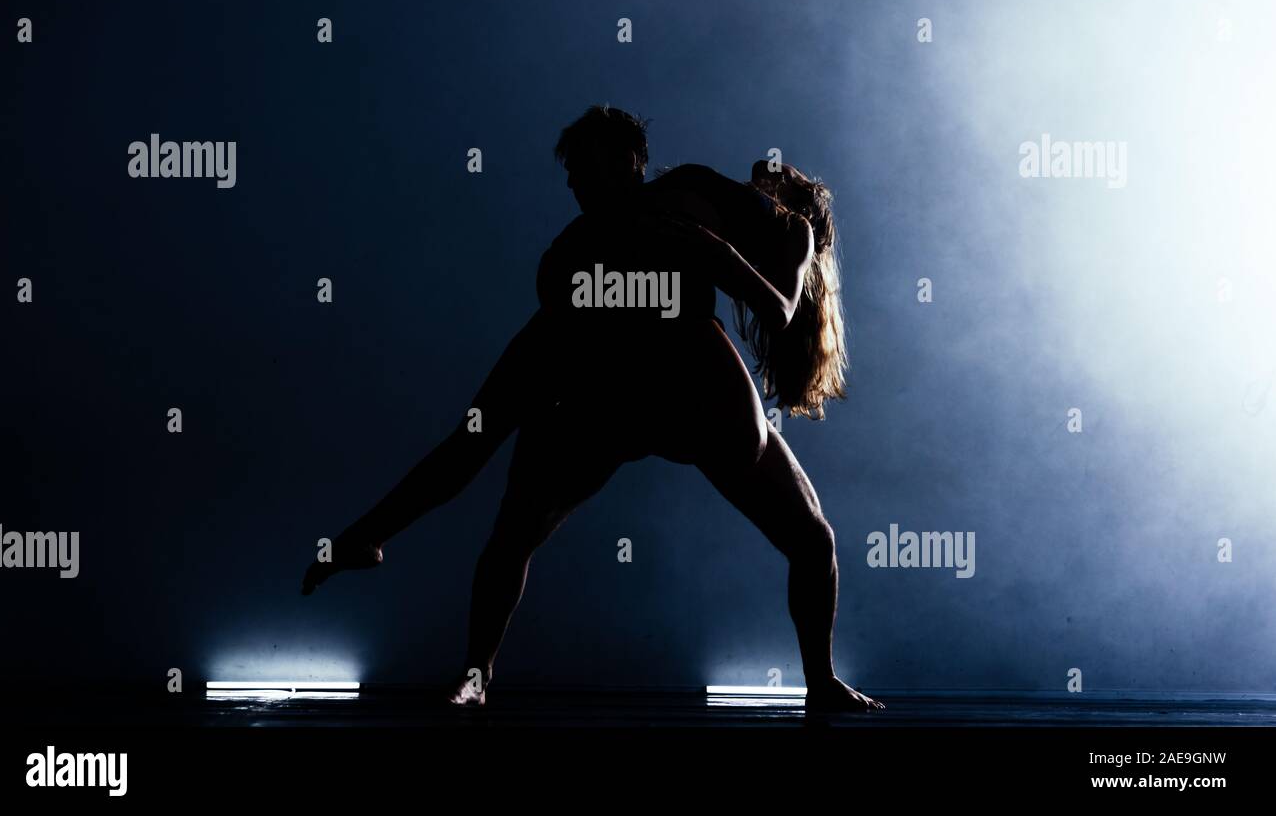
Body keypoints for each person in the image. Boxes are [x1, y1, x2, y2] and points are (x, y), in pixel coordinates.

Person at [302, 107, 884, 712]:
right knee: (503, 503)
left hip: (689, 392)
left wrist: (717, 255)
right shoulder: (585, 255)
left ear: (629, 161)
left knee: (813, 537)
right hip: (606, 390)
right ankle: (462, 660)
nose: (573, 182)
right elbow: (468, 445)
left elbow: (778, 310)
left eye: (584, 167)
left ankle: (819, 682)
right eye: (572, 171)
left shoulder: (763, 223)